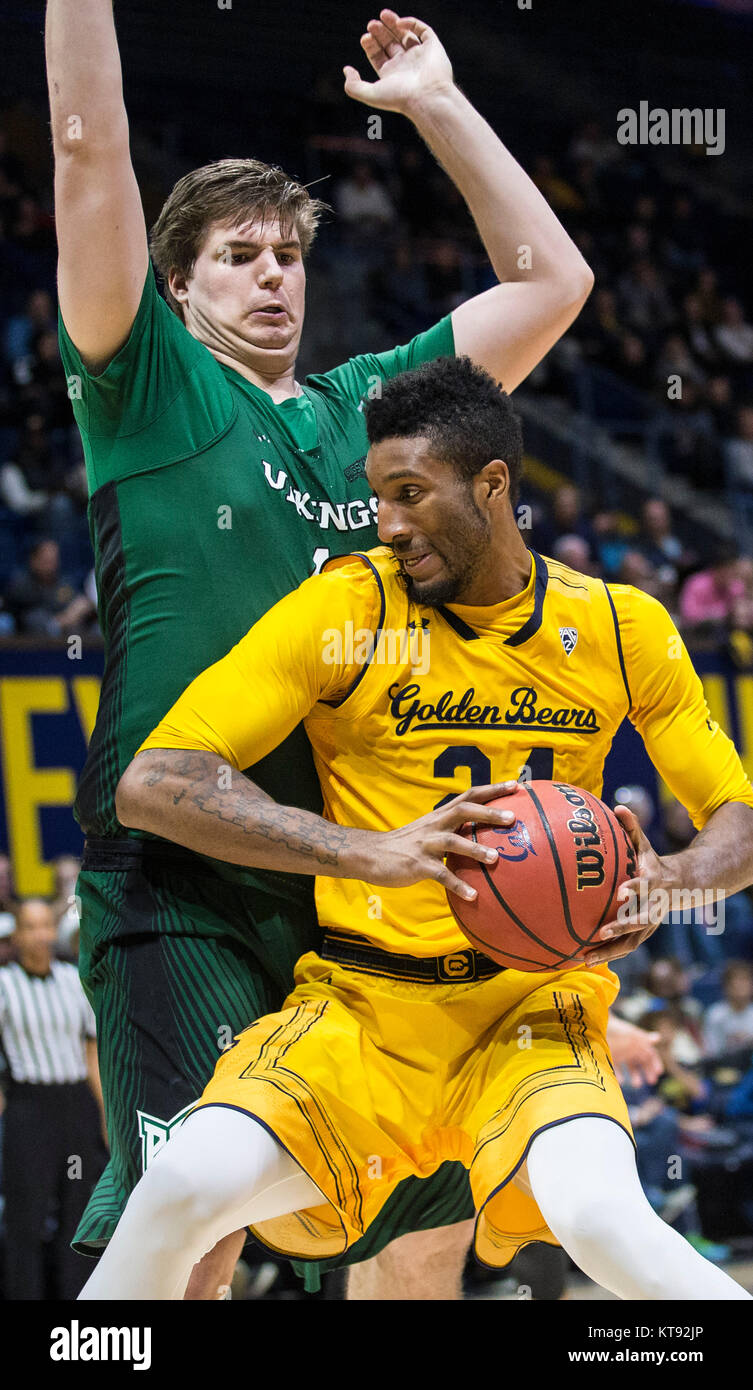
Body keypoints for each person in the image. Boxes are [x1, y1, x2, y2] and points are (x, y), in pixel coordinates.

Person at [47, 3, 594, 1301]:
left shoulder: (373, 411)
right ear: (179, 289)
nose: (274, 274)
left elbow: (549, 284)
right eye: (239, 256)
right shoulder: (152, 385)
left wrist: (438, 102)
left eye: (288, 252)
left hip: (349, 875)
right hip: (181, 867)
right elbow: (87, 151)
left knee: (420, 1229)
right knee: (202, 1229)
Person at [81, 357, 753, 1300]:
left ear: (492, 485)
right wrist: (368, 851)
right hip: (360, 1009)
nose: (387, 524)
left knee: (605, 1221)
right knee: (181, 1185)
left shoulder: (619, 626)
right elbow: (153, 782)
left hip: (532, 1012)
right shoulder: (349, 607)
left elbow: (739, 820)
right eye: (376, 498)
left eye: (409, 495)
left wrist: (670, 883)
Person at [0, 900, 106, 1299]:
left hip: (74, 1111)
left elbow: (91, 1052)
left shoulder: (71, 979)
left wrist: (103, 1117)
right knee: (25, 1217)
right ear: (18, 935)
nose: (41, 935)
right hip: (31, 1112)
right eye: (31, 927)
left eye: (46, 925)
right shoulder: (5, 983)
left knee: (77, 1208)